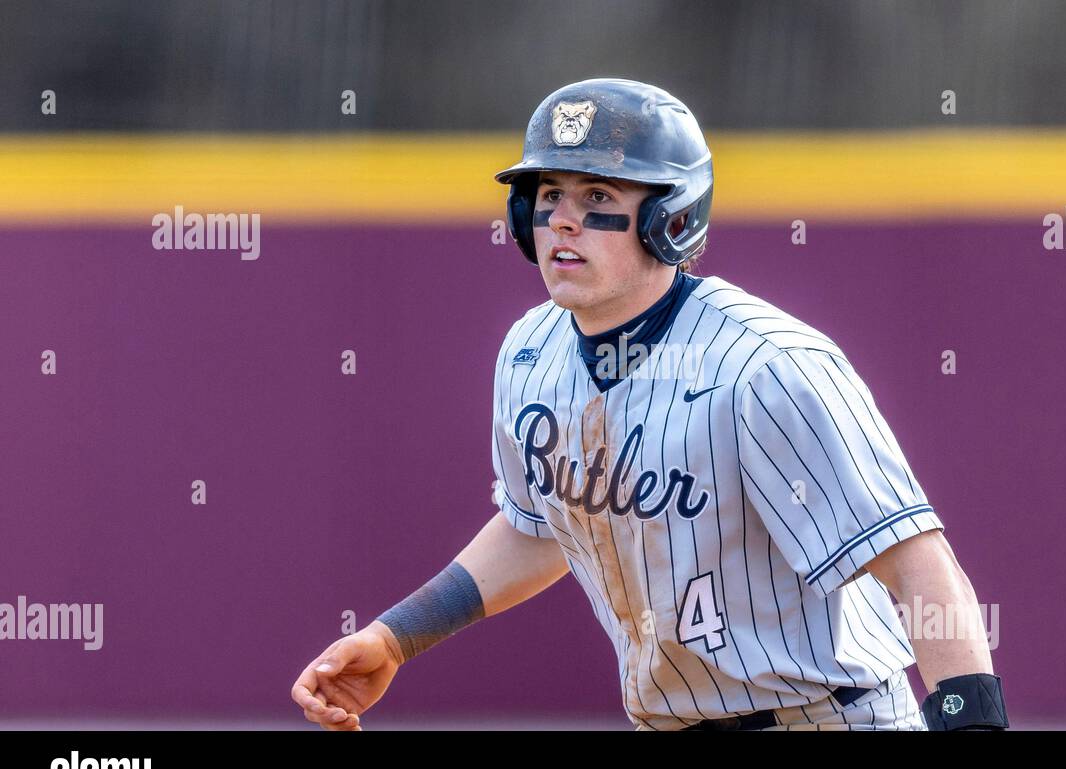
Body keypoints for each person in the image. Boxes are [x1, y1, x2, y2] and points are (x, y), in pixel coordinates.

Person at [290, 78, 1008, 731]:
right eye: (548, 196)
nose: (564, 221)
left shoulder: (763, 365)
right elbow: (543, 526)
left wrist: (969, 721)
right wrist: (394, 635)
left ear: (672, 218)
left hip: (826, 717)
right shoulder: (530, 352)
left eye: (599, 198)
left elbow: (914, 559)